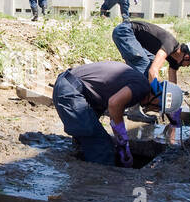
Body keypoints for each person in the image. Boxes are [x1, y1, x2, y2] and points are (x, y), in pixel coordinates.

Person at [53, 62, 182, 166]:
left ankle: (80, 161)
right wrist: (122, 140)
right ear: (157, 98)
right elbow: (114, 104)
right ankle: (102, 186)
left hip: (71, 86)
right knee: (102, 146)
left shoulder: (141, 83)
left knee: (90, 136)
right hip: (70, 91)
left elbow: (112, 105)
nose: (154, 110)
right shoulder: (141, 88)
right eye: (158, 107)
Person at [110, 19, 190, 87]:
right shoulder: (170, 45)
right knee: (144, 67)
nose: (186, 66)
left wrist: (172, 98)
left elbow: (173, 84)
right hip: (125, 31)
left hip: (133, 37)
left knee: (150, 63)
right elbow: (153, 71)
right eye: (189, 64)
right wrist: (156, 94)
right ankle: (132, 106)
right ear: (187, 56)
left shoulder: (175, 58)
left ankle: (130, 97)